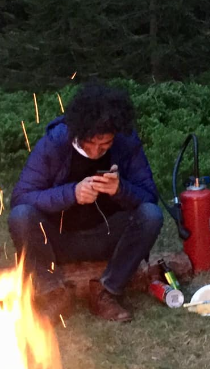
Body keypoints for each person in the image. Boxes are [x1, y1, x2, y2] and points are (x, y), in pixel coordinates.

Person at [9, 82, 163, 323]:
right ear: (78, 133)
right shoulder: (55, 142)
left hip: (107, 236)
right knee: (21, 216)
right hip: (60, 238)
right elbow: (21, 197)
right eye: (90, 143)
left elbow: (149, 196)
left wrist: (120, 190)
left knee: (151, 215)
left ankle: (107, 291)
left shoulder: (125, 141)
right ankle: (53, 293)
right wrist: (72, 193)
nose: (95, 152)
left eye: (105, 145)